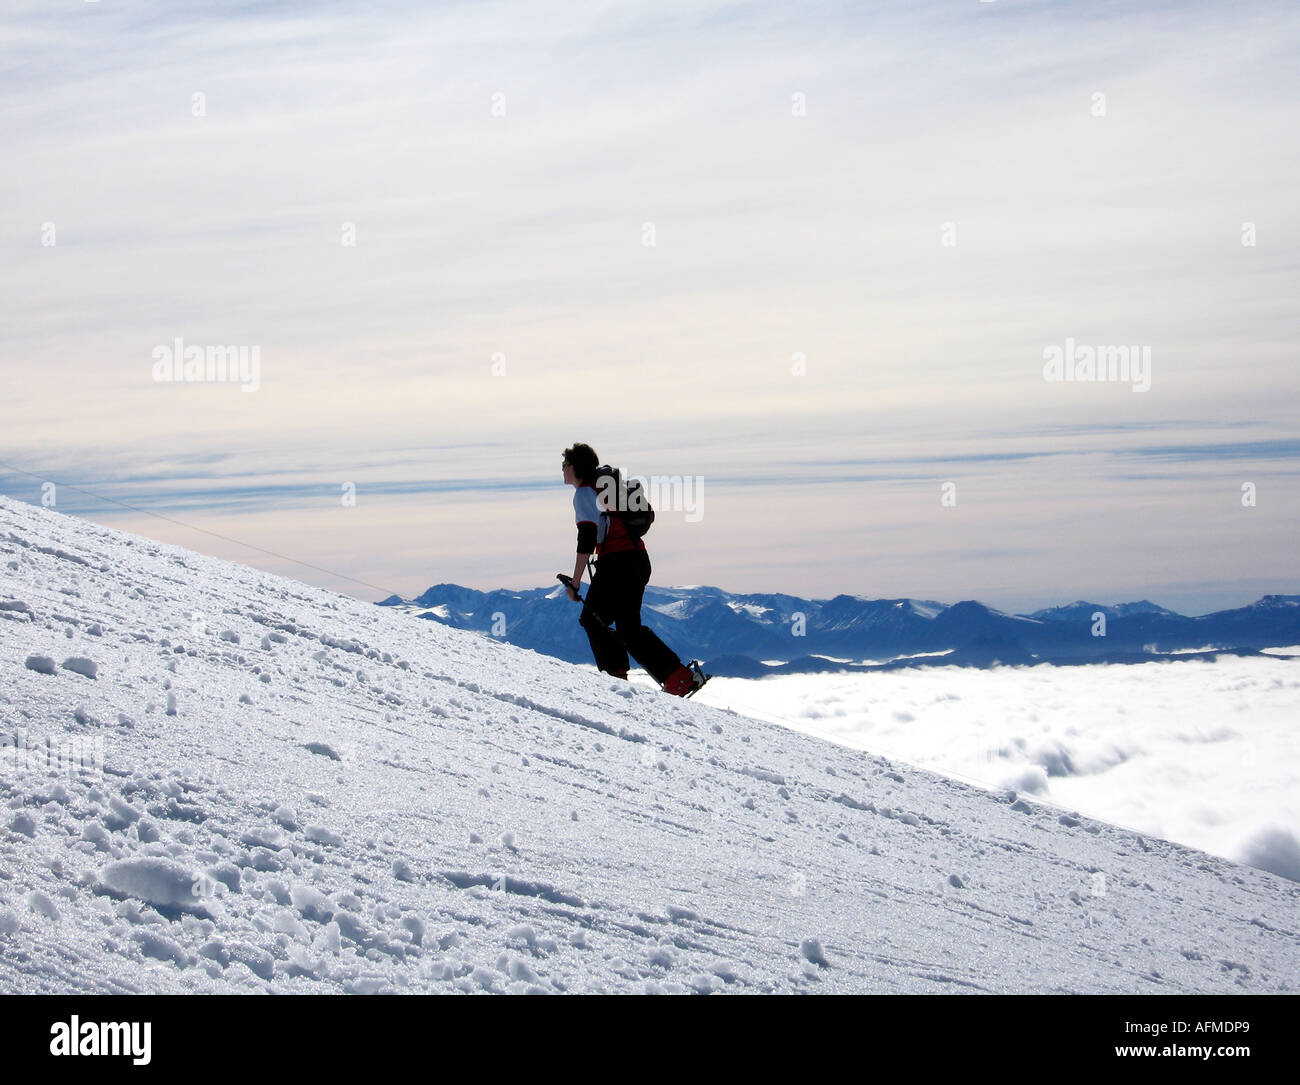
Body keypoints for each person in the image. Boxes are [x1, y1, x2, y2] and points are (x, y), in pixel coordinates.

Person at [561, 443, 704, 696]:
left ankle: (615, 680)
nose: (562, 469)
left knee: (593, 620)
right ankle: (679, 678)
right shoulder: (606, 488)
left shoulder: (585, 492)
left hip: (617, 563)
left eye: (565, 465)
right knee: (628, 628)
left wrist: (575, 583)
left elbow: (586, 538)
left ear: (575, 467)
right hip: (637, 560)